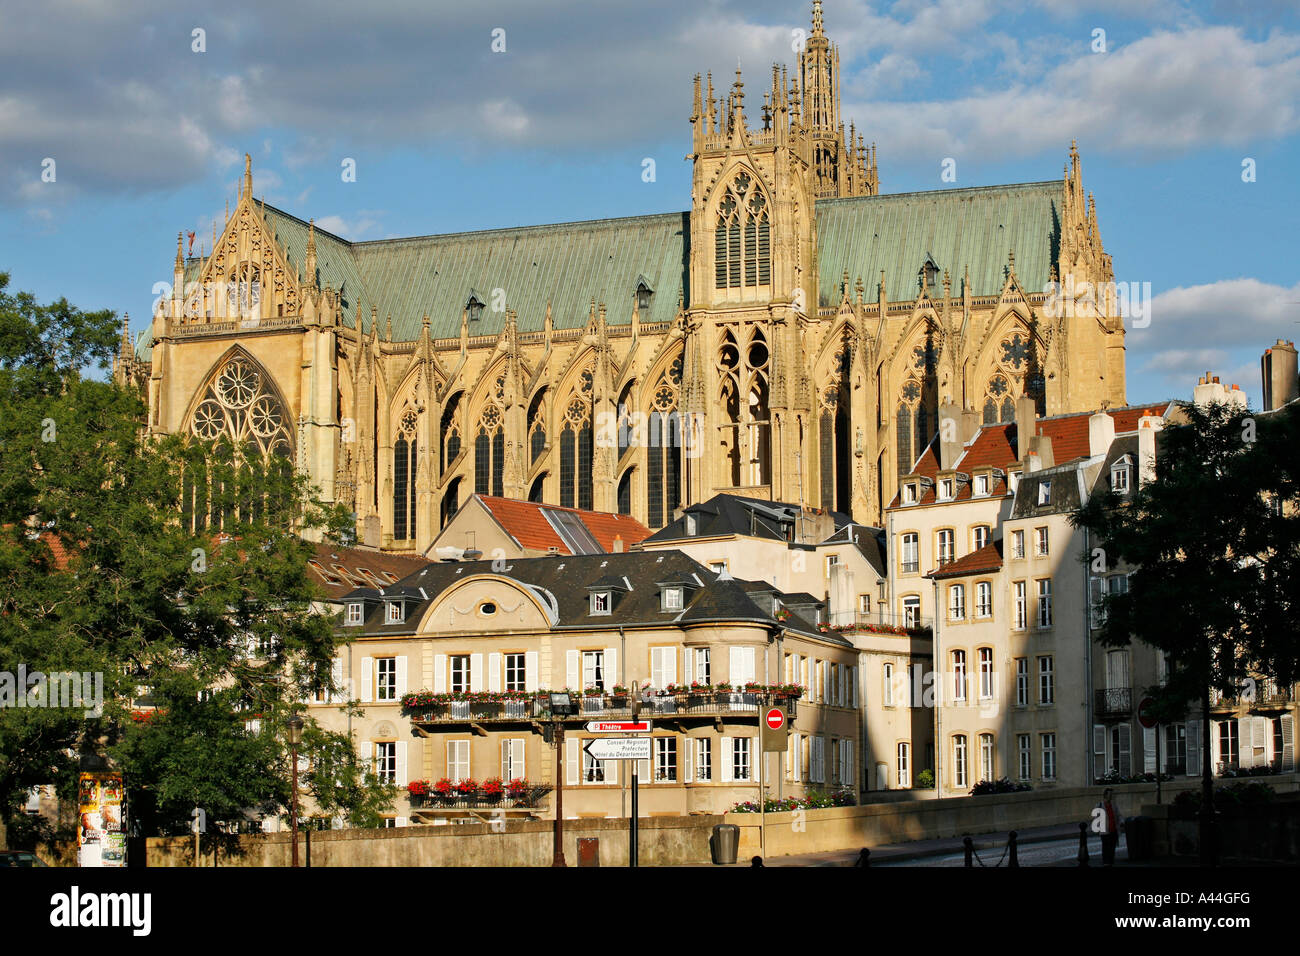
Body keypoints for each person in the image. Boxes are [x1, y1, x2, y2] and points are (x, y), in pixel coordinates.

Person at [1097, 788, 1123, 866]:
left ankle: (1110, 862)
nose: (1112, 796)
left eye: (1112, 794)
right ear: (1105, 795)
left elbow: (1119, 815)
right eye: (1110, 794)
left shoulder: (1114, 805)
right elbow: (1096, 818)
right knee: (1106, 848)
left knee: (1112, 848)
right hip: (1105, 831)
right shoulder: (1099, 805)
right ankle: (1106, 862)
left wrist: (1121, 822)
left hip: (1113, 830)